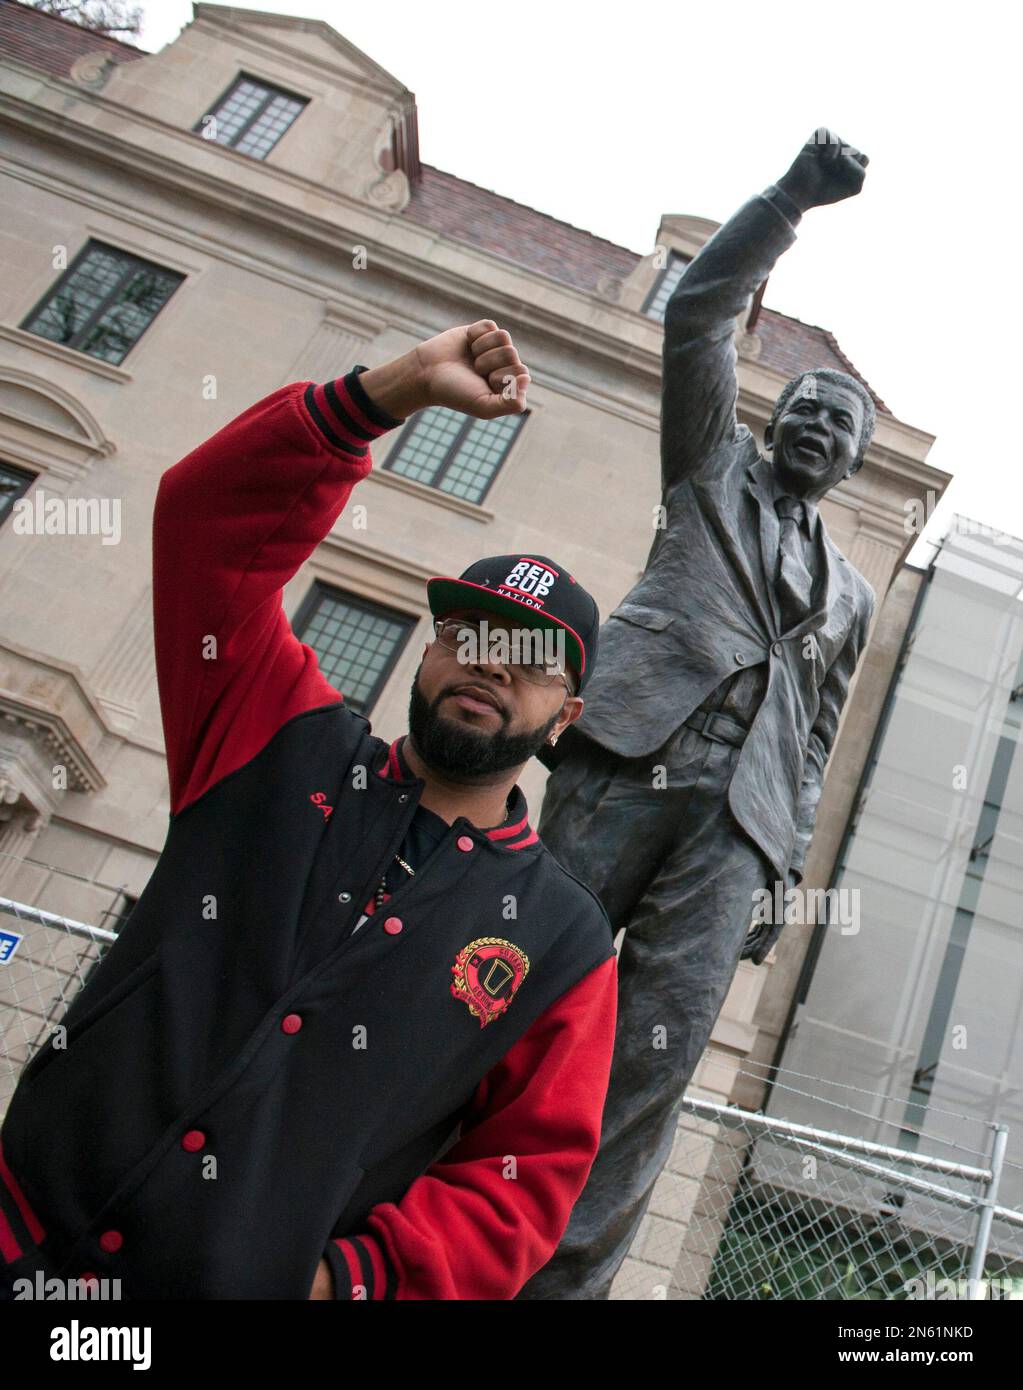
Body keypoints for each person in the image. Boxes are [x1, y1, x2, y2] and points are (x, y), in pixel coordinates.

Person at [0, 321, 618, 1301]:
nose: (492, 659)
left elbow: (521, 1184)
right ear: (429, 649)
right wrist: (394, 388)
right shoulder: (276, 734)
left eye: (532, 655)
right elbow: (207, 524)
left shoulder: (564, 939)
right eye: (466, 631)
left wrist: (343, 1283)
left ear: (566, 716)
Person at [515, 130, 878, 1299]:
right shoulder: (708, 464)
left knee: (651, 1066)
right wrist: (790, 200)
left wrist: (783, 869)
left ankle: (562, 1283)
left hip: (737, 834)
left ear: (858, 461)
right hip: (626, 769)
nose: (821, 425)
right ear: (776, 419)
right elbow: (700, 314)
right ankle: (411, 1203)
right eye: (808, 407)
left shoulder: (855, 595)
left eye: (845, 423)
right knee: (518, 981)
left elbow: (816, 739)